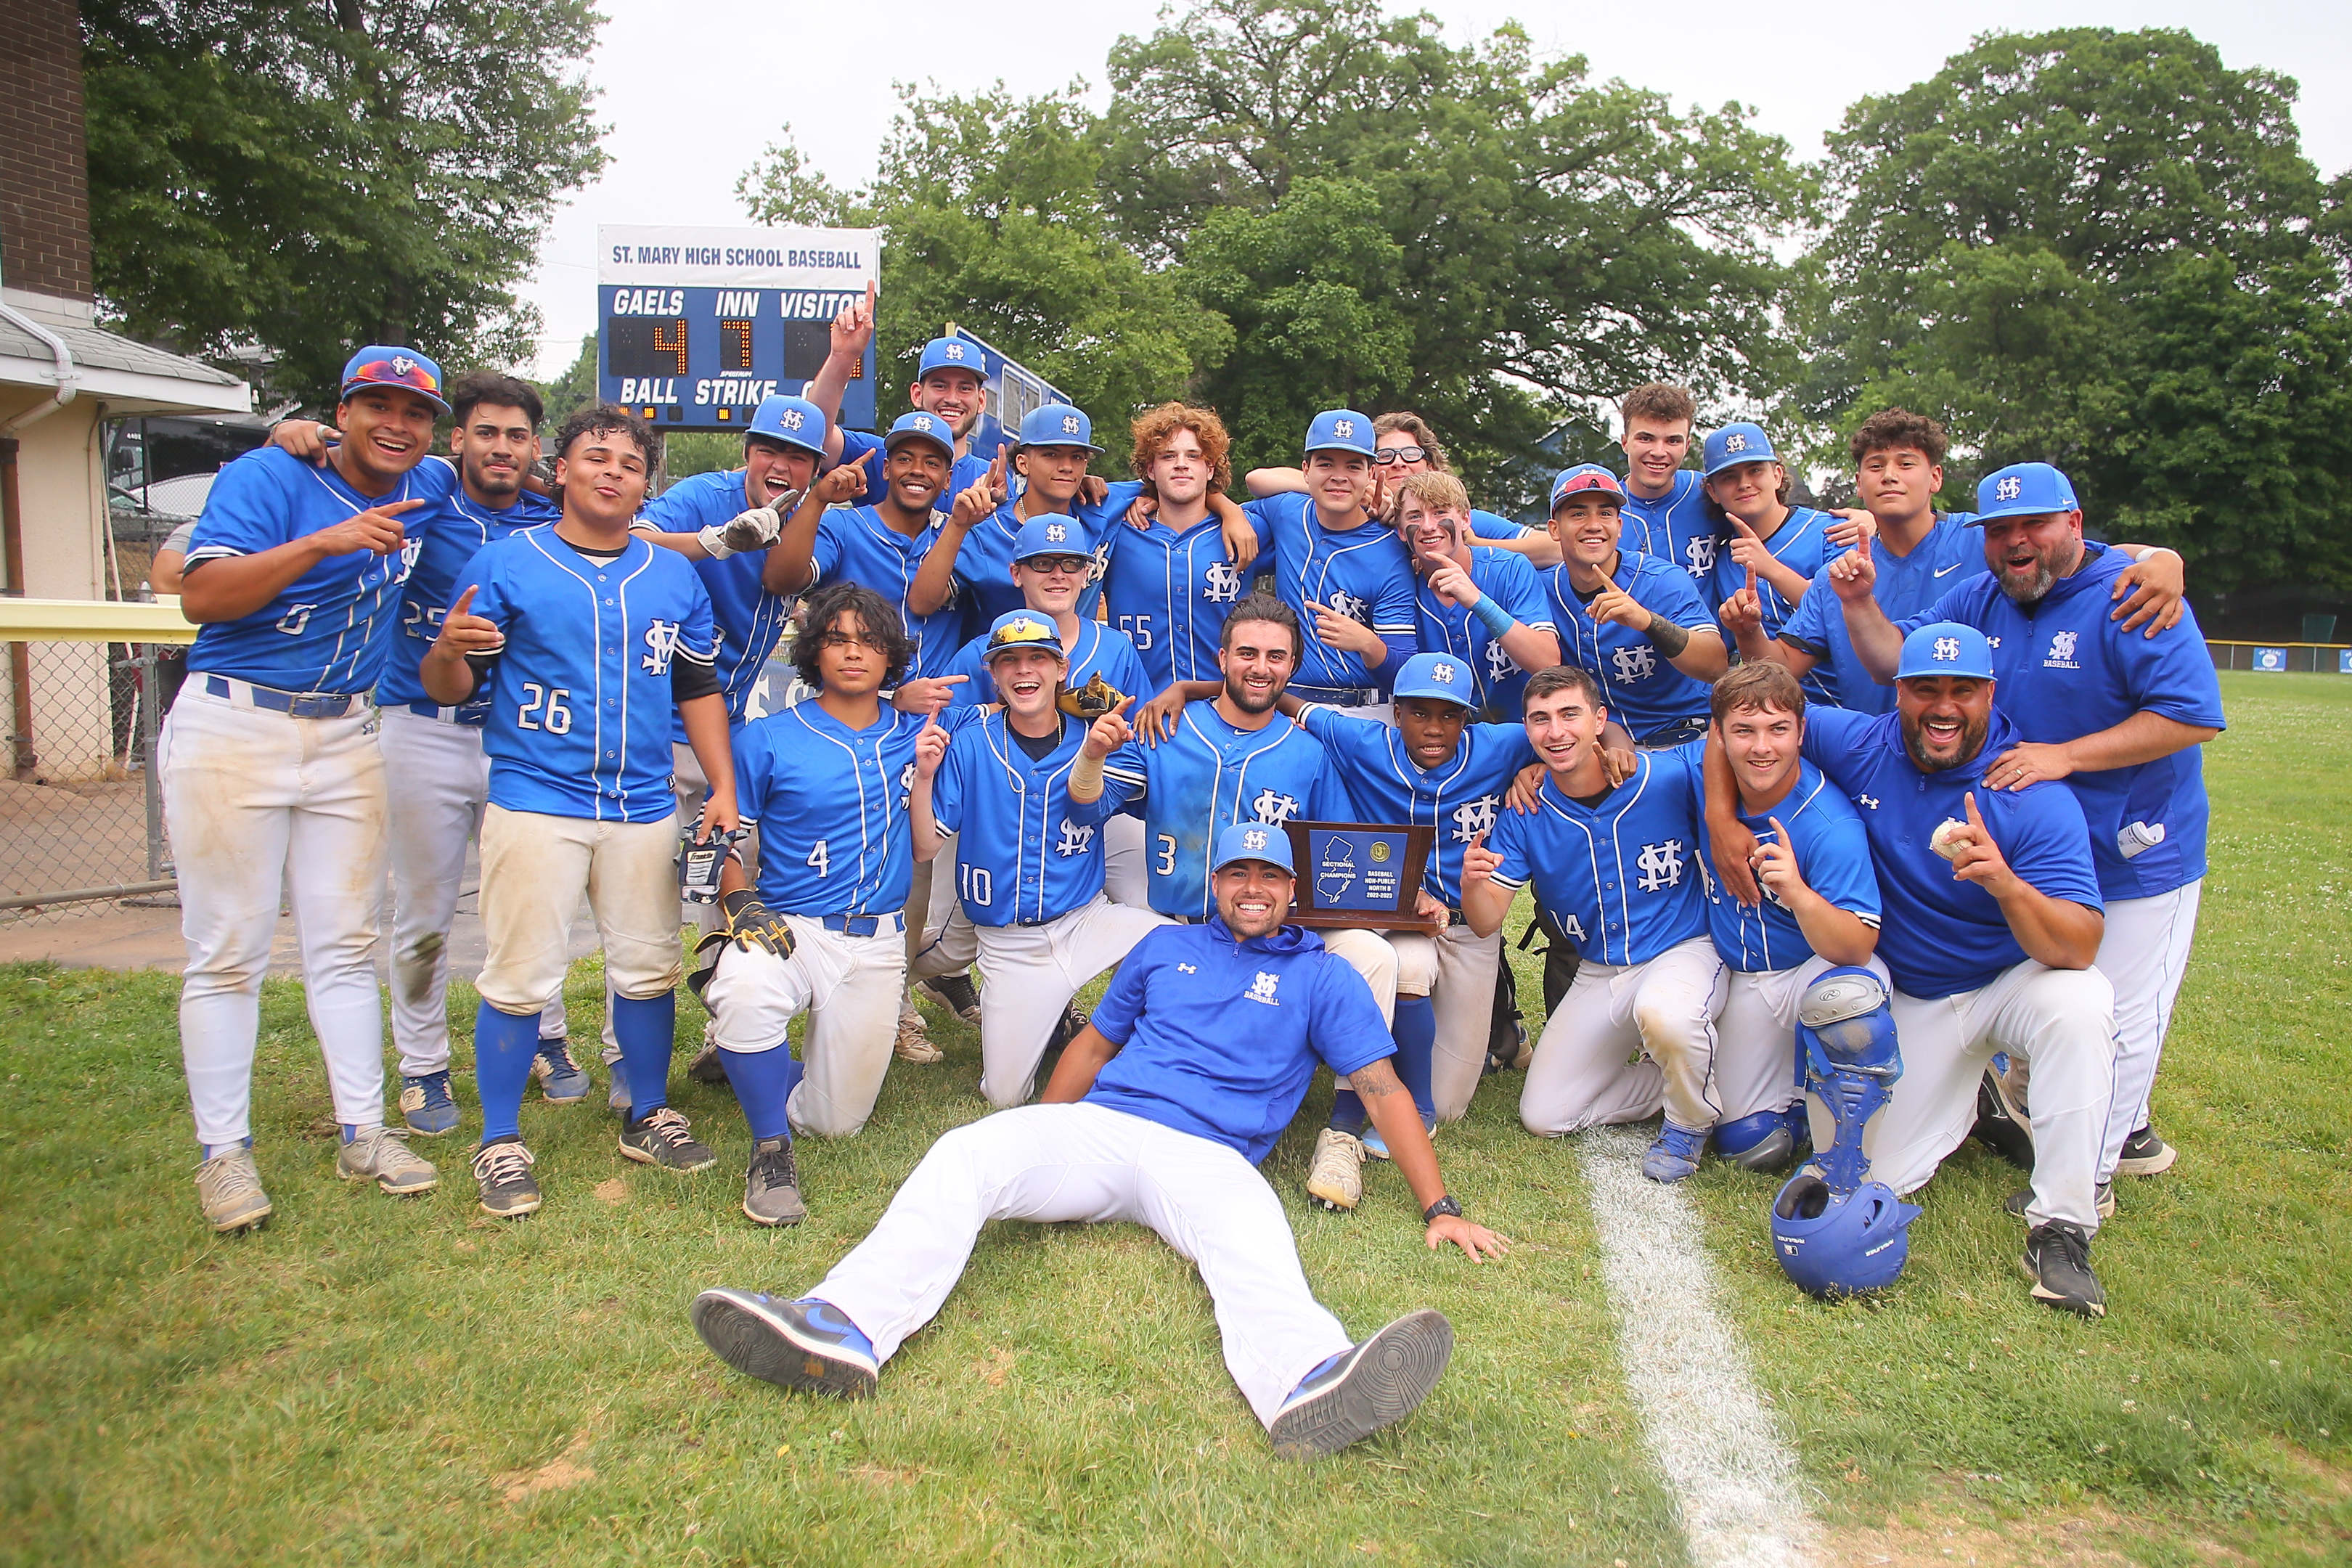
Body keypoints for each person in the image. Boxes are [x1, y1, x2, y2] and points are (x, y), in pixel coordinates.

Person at [687, 822, 1507, 1461]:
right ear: (1215, 883)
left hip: (1210, 1159)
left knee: (1253, 1240)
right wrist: (1039, 1127)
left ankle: (1305, 1379)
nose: (1252, 889)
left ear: (1293, 889)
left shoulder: (1322, 974)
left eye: (1268, 876)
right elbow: (1092, 1049)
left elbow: (1383, 1090)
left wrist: (1441, 1206)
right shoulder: (1167, 945)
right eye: (1237, 874)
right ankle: (842, 1326)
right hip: (1105, 1127)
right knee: (967, 1154)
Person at [1821, 462, 2223, 1193]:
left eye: (2032, 524)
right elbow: (1894, 661)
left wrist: (2064, 755)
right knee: (2040, 1004)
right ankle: (2068, 1112)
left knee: (2115, 1015)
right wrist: (1857, 602)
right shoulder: (1982, 597)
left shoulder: (2132, 590)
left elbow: (2193, 716)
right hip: (2028, 841)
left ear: (2074, 522)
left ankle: (2090, 1178)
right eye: (1999, 530)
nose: (2015, 542)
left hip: (2134, 846)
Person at [1704, 621, 2118, 1317]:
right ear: (1900, 693)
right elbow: (1742, 724)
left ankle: (2063, 1226)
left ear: (1990, 694)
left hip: (2006, 981)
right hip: (1916, 1000)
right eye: (1926, 689)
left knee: (2082, 1003)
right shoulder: (1867, 742)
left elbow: (2079, 946)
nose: (1943, 707)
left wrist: (2005, 884)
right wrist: (1721, 816)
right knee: (1871, 1179)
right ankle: (1975, 1100)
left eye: (1962, 691)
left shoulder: (2027, 791)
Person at [421, 404, 737, 1218]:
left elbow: (697, 687)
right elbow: (446, 684)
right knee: (522, 972)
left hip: (640, 798)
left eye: (630, 465)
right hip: (536, 792)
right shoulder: (507, 559)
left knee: (647, 967)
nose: (612, 473)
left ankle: (646, 1111)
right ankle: (499, 1139)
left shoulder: (672, 575)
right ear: (559, 470)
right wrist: (452, 647)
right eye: (595, 457)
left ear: (646, 484)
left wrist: (723, 786)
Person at [168, 345, 453, 1231]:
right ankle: (225, 1155)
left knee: (342, 944)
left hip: (344, 730)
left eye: (414, 412)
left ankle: (363, 1130)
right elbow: (199, 596)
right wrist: (319, 538)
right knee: (229, 951)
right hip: (235, 721)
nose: (397, 424)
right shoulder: (270, 474)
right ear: (343, 411)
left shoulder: (431, 482)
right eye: (377, 405)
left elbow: (498, 474)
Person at [693, 582, 949, 1226]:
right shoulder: (769, 737)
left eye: (870, 642)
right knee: (748, 989)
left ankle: (749, 1055)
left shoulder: (915, 735)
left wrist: (920, 768)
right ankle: (769, 1148)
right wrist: (739, 899)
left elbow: (923, 850)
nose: (853, 653)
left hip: (878, 940)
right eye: (837, 640)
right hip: (792, 926)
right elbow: (715, 838)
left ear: (893, 657)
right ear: (814, 652)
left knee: (836, 1124)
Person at [371, 372, 582, 1138]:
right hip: (423, 724)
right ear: (457, 439)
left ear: (535, 447)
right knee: (425, 911)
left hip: (515, 736)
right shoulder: (423, 488)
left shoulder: (545, 514)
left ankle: (546, 1038)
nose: (500, 447)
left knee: (534, 896)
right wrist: (303, 436)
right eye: (485, 432)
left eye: (516, 435)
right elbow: (352, 453)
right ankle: (422, 1066)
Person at [1272, 653, 1535, 1209]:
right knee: (1407, 965)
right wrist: (1187, 689)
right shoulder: (1365, 741)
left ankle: (1496, 1030)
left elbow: (1574, 733)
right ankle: (1401, 1103)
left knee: (1454, 1102)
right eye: (1419, 713)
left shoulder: (1503, 746)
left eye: (1450, 715)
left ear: (1469, 719)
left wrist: (1545, 766)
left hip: (1467, 927)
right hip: (1401, 918)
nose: (1434, 728)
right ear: (1396, 713)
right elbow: (1290, 700)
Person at [1727, 410, 2186, 714]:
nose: (1889, 475)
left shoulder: (1985, 538)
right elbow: (1780, 668)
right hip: (1881, 764)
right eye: (1875, 465)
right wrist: (1748, 631)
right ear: (1859, 483)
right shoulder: (1839, 576)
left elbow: (2077, 554)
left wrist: (2161, 558)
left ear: (1936, 478)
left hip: (1986, 757)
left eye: (1906, 463)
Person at [1460, 667, 1726, 1181]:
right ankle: (1695, 1076)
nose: (1555, 731)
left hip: (1683, 950)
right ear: (1527, 729)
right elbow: (1485, 919)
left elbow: (1726, 752)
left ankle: (1690, 1122)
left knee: (1665, 1012)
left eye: (1569, 715)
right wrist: (1473, 883)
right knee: (1545, 1114)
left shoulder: (1665, 775)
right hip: (1602, 969)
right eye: (1540, 720)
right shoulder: (1526, 810)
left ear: (1599, 719)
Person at [910, 610, 1169, 1106]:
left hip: (1086, 922)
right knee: (1005, 1097)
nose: (1024, 670)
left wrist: (1093, 752)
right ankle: (1035, 1018)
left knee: (1184, 952)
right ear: (993, 673)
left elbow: (1085, 804)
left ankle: (1153, 1056)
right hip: (1012, 949)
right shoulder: (970, 737)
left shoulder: (1102, 732)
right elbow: (925, 846)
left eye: (1038, 658)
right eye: (1009, 660)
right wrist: (924, 778)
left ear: (1061, 668)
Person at [1687, 662, 1885, 1175]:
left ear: (1801, 731)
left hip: (1816, 966)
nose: (1761, 747)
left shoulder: (1829, 824)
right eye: (1744, 731)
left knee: (1849, 1001)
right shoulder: (1704, 773)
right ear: (1719, 737)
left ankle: (1845, 1143)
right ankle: (1795, 1101)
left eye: (1778, 729)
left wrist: (1798, 893)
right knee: (1744, 1142)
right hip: (1752, 980)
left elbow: (1857, 944)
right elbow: (1629, 767)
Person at [932, 516, 1152, 902]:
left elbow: (1142, 745)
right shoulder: (981, 652)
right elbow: (945, 734)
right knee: (943, 937)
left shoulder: (1116, 648)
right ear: (1016, 573)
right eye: (1042, 563)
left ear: (1088, 573)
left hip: (1096, 815)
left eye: (1071, 564)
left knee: (1146, 907)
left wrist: (1105, 764)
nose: (1058, 575)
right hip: (998, 821)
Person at [1118, 595, 1344, 923]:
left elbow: (1337, 853)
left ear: (1292, 665)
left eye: (1276, 656)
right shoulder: (1165, 728)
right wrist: (1094, 757)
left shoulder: (1311, 754)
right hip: (1174, 926)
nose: (1261, 668)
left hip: (1268, 938)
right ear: (1223, 659)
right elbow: (1088, 807)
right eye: (1247, 653)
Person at [1239, 411, 1420, 714]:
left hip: (1367, 711)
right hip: (1290, 707)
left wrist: (1368, 643)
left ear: (1372, 474)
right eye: (1326, 464)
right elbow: (1253, 480)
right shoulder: (1287, 510)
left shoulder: (1391, 551)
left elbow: (1403, 672)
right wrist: (1228, 512)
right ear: (1306, 470)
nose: (1339, 476)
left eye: (1353, 466)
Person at [1539, 464, 1726, 748]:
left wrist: (1648, 622)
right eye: (1578, 513)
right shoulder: (1542, 589)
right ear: (1554, 529)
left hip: (1688, 738)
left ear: (1619, 526)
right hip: (1600, 746)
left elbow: (1716, 665)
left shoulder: (1662, 580)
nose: (1593, 524)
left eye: (1605, 513)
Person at [1246, 411, 1559, 567]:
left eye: (1410, 455)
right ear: (1371, 469)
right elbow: (1258, 480)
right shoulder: (1346, 515)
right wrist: (1347, 489)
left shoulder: (1463, 521)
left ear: (1431, 467)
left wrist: (1471, 543)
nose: (1398, 464)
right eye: (1385, 456)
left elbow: (1557, 548)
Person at [1100, 402, 1260, 695]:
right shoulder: (1118, 528)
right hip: (1139, 710)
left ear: (1210, 468)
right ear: (1150, 468)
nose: (1181, 464)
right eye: (1168, 456)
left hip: (1225, 711)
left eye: (1194, 456)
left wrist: (1229, 509)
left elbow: (1312, 495)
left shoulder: (1246, 529)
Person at [1696, 422, 1850, 703]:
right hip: (1774, 711)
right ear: (1714, 492)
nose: (1744, 484)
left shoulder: (1832, 532)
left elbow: (1850, 615)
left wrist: (1772, 569)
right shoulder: (1721, 560)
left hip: (1851, 705)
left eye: (1755, 470)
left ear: (1777, 475)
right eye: (1729, 477)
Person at [1394, 470, 1558, 721]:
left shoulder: (1509, 567)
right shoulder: (1401, 585)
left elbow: (1548, 662)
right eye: (1415, 516)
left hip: (1523, 734)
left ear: (1465, 520)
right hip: (1447, 742)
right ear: (1402, 532)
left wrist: (1478, 601)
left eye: (1440, 512)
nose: (1428, 526)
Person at [1612, 384, 1718, 588]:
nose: (1659, 452)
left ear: (1687, 446)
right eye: (1646, 438)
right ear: (1625, 443)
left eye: (1672, 441)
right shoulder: (1604, 509)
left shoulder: (1708, 492)